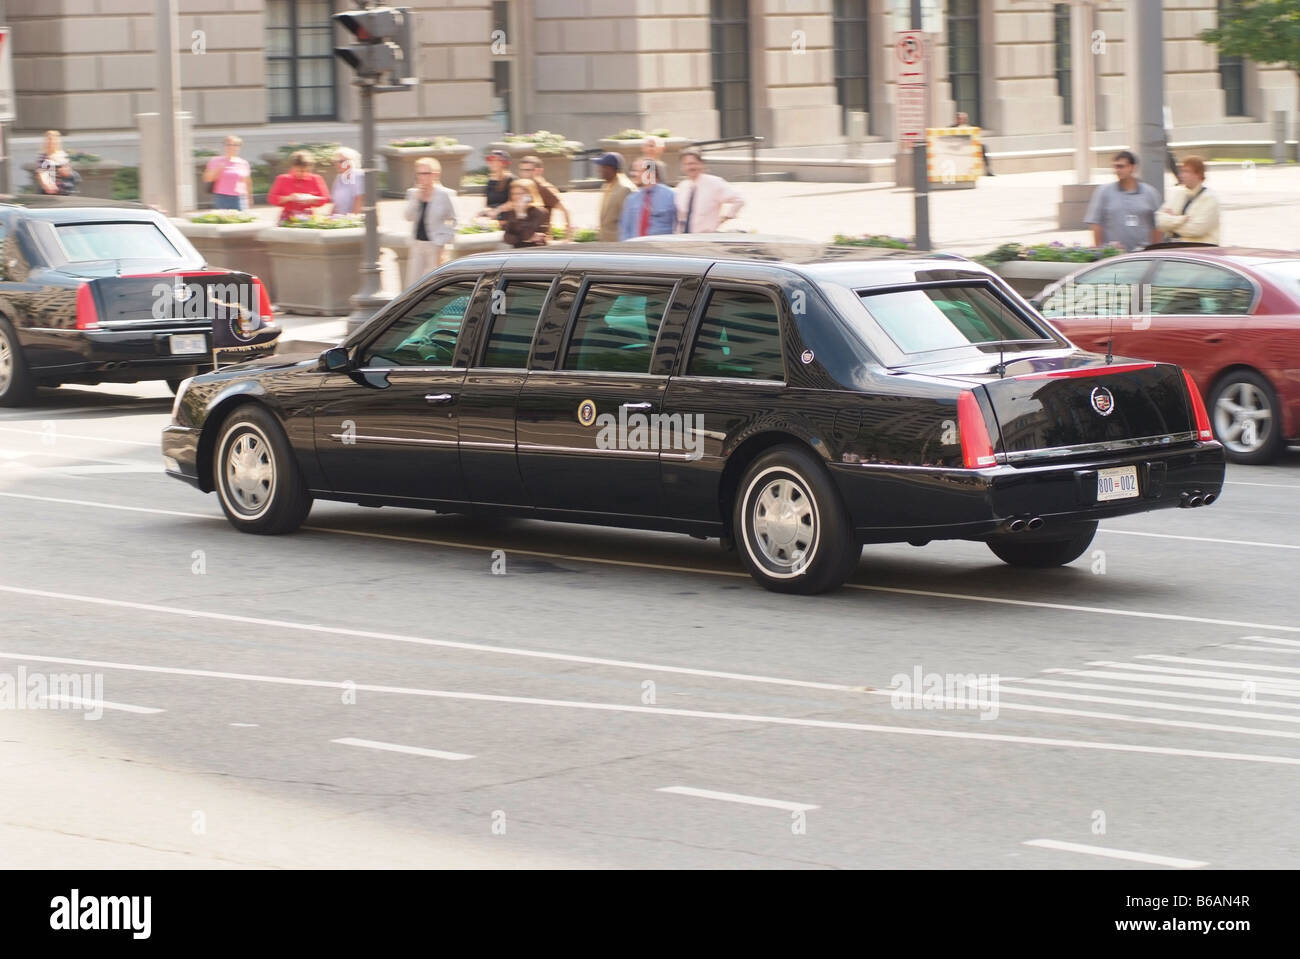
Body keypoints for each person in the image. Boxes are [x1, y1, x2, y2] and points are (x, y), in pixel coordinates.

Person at [1084, 151, 1162, 251]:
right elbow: (1096, 223)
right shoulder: (1103, 192)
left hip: (1142, 256)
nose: (1117, 170)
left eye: (1121, 166)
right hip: (1114, 256)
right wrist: (1100, 250)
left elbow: (1158, 225)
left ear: (1132, 168)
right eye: (1115, 167)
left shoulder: (1150, 193)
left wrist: (1153, 250)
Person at [404, 157, 457, 285]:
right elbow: (407, 216)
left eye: (425, 173)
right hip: (417, 245)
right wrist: (417, 199)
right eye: (419, 173)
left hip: (435, 246)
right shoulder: (413, 193)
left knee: (433, 284)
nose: (421, 177)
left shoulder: (445, 194)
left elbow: (455, 220)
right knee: (412, 284)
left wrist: (443, 241)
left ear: (435, 174)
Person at [675, 148, 744, 233]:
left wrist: (724, 218)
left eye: (693, 163)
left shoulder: (714, 183)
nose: (690, 167)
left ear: (701, 164)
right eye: (686, 164)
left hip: (706, 236)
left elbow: (739, 200)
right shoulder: (682, 186)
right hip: (685, 237)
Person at [1156, 155, 1220, 245]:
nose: (1182, 175)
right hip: (1175, 250)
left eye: (1187, 171)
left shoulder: (1210, 199)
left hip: (1199, 253)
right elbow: (1160, 221)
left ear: (1198, 174)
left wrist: (1170, 223)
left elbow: (1196, 229)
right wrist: (1180, 219)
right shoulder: (1177, 193)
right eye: (1182, 171)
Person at [516, 154, 574, 239]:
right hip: (522, 237)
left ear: (534, 171)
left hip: (539, 241)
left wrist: (567, 238)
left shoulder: (543, 189)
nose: (524, 173)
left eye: (527, 170)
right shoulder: (519, 187)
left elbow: (565, 210)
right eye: (522, 170)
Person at [618, 159, 676, 240]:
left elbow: (677, 226)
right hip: (637, 249)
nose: (633, 174)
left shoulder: (670, 196)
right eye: (633, 171)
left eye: (638, 171)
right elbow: (625, 230)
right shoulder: (631, 199)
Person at [267, 151, 330, 224]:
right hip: (288, 217)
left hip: (308, 217)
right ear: (292, 167)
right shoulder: (282, 179)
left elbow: (325, 198)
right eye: (297, 170)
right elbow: (271, 199)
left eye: (304, 171)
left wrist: (312, 199)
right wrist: (288, 198)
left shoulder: (315, 179)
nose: (300, 173)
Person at [203, 135, 253, 211]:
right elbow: (207, 179)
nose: (231, 147)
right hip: (222, 198)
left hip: (239, 198)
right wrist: (218, 169)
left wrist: (250, 198)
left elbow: (247, 182)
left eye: (235, 145)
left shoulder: (244, 163)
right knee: (223, 222)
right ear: (225, 146)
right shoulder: (215, 161)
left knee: (240, 221)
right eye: (228, 144)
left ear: (239, 147)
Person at [595, 152, 635, 242]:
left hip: (618, 244)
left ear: (611, 168)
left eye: (602, 167)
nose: (599, 170)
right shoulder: (606, 186)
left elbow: (631, 221)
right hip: (606, 243)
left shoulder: (625, 189)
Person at [500, 178, 550, 248]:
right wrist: (526, 238)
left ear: (530, 194)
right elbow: (507, 238)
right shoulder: (512, 212)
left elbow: (527, 235)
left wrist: (521, 214)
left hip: (537, 253)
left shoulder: (541, 212)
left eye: (520, 193)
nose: (516, 197)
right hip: (518, 253)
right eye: (513, 194)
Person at [478, 149, 515, 220]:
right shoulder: (490, 181)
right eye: (489, 159)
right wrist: (484, 211)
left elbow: (514, 202)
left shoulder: (511, 180)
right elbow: (487, 204)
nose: (490, 162)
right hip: (492, 215)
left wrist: (497, 210)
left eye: (494, 160)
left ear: (504, 163)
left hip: (506, 216)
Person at [955, 112, 993, 176]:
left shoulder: (969, 127)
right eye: (960, 118)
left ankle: (988, 170)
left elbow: (975, 136)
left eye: (964, 118)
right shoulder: (952, 127)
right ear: (957, 119)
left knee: (983, 147)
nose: (962, 120)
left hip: (969, 145)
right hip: (958, 146)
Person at [330, 147, 364, 216]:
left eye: (341, 161)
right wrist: (330, 218)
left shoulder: (358, 175)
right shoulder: (339, 177)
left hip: (354, 219)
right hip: (341, 220)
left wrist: (353, 220)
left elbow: (359, 199)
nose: (337, 164)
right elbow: (335, 203)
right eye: (335, 161)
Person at [35, 130, 68, 195]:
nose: (51, 142)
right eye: (49, 140)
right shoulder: (43, 156)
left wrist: (64, 170)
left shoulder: (62, 155)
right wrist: (46, 185)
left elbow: (66, 173)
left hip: (62, 190)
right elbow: (41, 172)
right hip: (48, 191)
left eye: (54, 140)